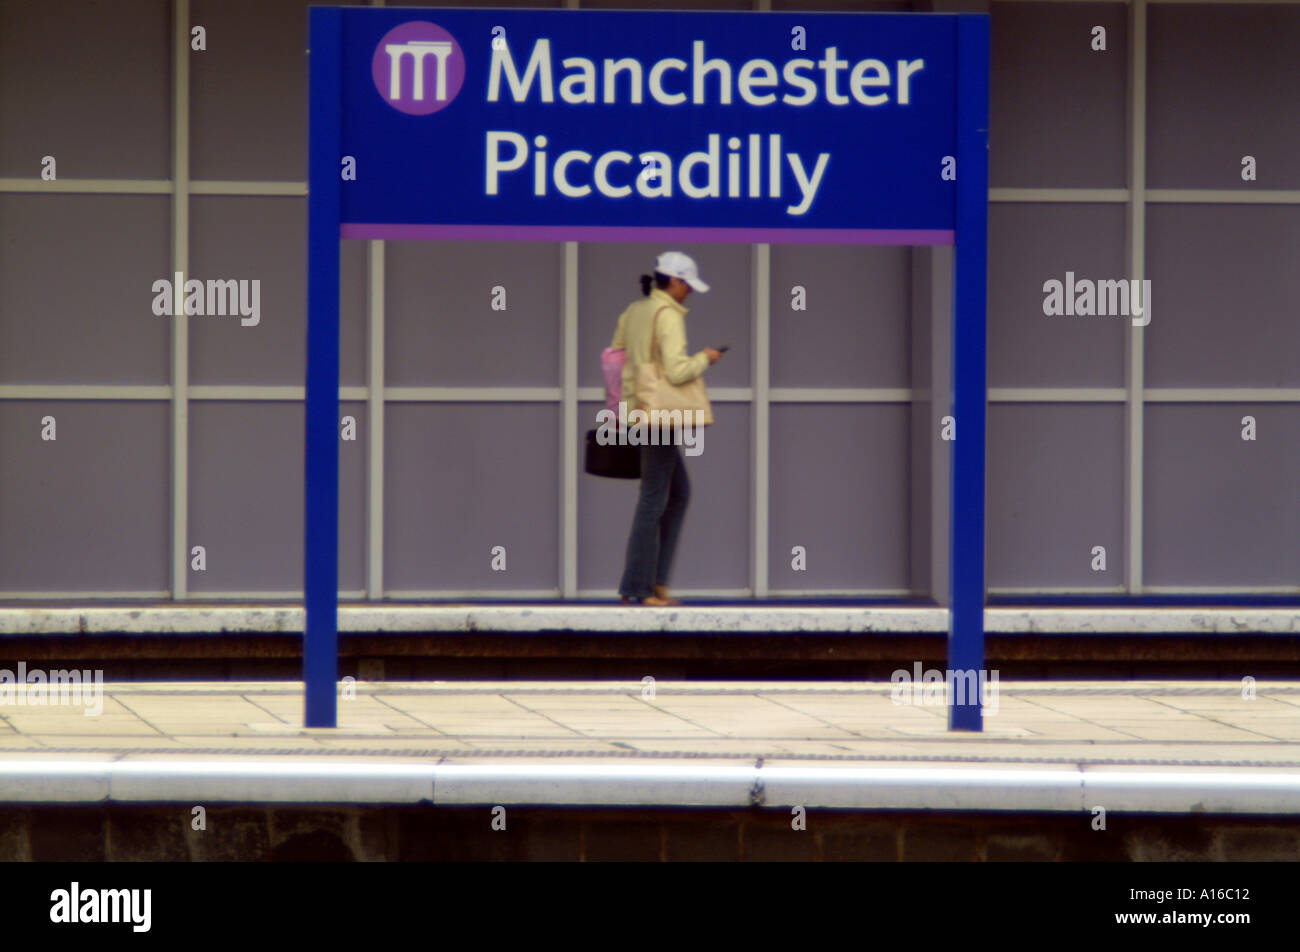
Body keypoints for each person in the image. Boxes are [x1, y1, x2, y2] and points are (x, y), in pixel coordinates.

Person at [611, 251, 723, 606]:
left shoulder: (633, 312)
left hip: (639, 410)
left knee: (677, 493)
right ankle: (639, 588)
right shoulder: (669, 316)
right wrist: (706, 358)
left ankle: (654, 582)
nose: (689, 292)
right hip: (659, 415)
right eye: (687, 284)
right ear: (673, 281)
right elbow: (676, 372)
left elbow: (615, 358)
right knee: (654, 499)